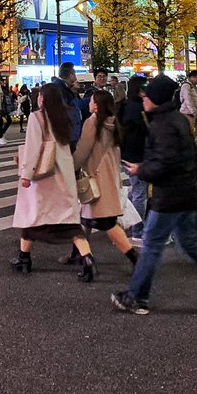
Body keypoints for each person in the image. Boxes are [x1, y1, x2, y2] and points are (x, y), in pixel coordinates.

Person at [112, 75, 197, 315]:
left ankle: (136, 296)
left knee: (152, 243)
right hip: (184, 190)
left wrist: (140, 169)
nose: (144, 98)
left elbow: (164, 163)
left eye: (148, 94)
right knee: (189, 243)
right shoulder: (177, 119)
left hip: (169, 195)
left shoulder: (163, 124)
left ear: (157, 99)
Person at [11, 83, 97, 280]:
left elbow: (33, 148)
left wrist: (26, 175)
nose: (38, 99)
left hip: (44, 176)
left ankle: (24, 259)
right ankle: (88, 259)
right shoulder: (67, 116)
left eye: (40, 95)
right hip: (63, 173)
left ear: (44, 98)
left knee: (33, 215)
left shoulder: (37, 117)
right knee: (69, 222)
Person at [67, 90, 138, 268]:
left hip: (95, 179)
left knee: (107, 223)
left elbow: (83, 150)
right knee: (85, 219)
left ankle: (134, 258)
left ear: (97, 105)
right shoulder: (112, 123)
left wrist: (71, 168)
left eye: (91, 100)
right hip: (108, 178)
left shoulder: (93, 122)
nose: (89, 102)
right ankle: (78, 254)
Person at [117, 74, 148, 238]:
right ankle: (137, 229)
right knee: (139, 192)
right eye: (144, 87)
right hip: (137, 154)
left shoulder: (125, 105)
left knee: (136, 190)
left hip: (127, 152)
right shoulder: (138, 108)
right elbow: (145, 130)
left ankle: (122, 217)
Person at [51, 62, 84, 147]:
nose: (76, 77)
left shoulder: (65, 87)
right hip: (67, 134)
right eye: (74, 73)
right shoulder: (59, 88)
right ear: (71, 75)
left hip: (70, 133)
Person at [180, 70, 197, 156]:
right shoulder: (186, 86)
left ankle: (188, 144)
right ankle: (186, 146)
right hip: (188, 113)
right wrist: (193, 111)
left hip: (195, 113)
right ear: (191, 77)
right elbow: (187, 100)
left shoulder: (194, 86)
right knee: (189, 131)